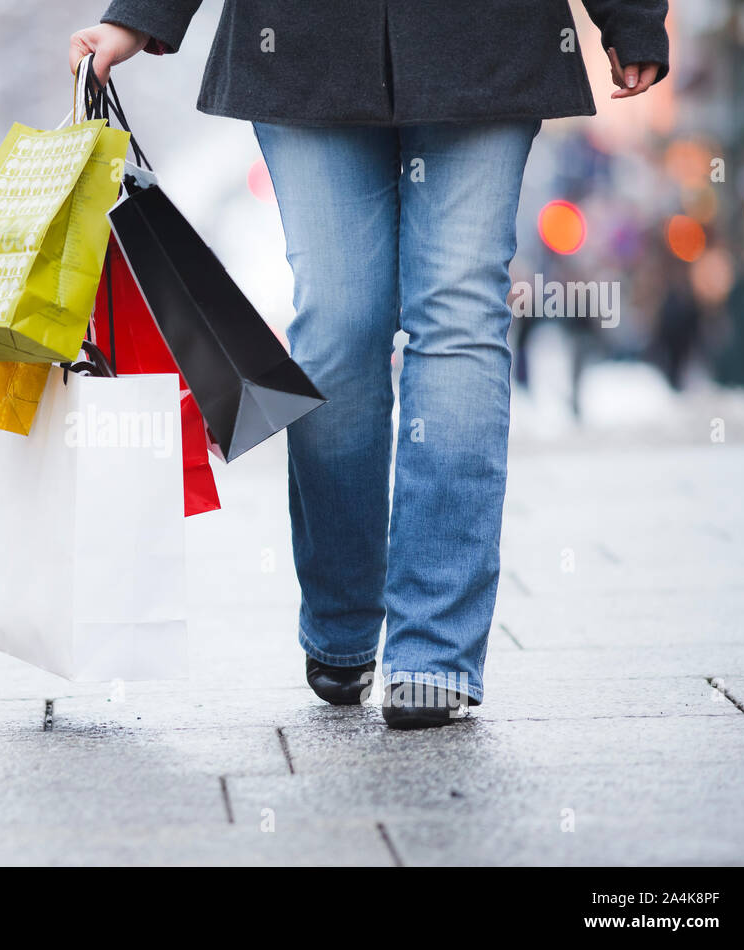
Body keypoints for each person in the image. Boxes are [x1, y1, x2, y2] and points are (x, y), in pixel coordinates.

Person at [71, 2, 668, 728]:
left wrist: (631, 17)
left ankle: (434, 650)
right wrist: (140, 16)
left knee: (460, 316)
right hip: (307, 42)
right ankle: (343, 621)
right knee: (338, 327)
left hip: (485, 38)